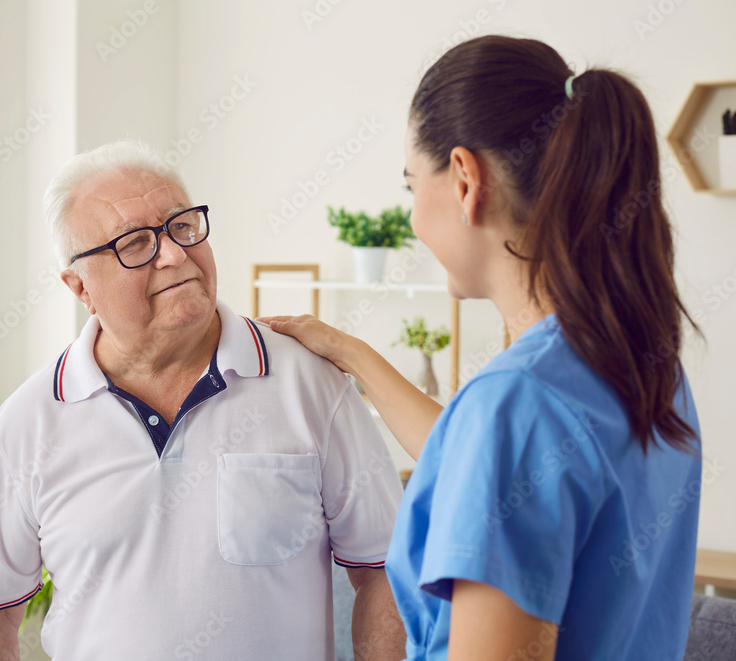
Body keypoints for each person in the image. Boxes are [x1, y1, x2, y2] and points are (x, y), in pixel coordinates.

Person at [260, 35, 703, 660]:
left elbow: (503, 450)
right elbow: (484, 466)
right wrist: (350, 352)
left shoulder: (515, 406)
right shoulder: (642, 364)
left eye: (412, 186)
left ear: (466, 180)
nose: (413, 218)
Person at [0, 140, 406, 660]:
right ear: (80, 287)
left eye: (182, 226)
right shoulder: (28, 421)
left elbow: (387, 570)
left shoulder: (310, 382)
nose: (174, 254)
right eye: (135, 243)